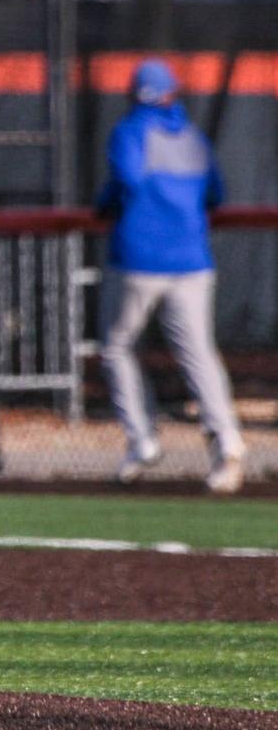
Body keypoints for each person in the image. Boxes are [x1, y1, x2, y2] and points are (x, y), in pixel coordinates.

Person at [96, 57, 243, 493]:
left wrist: (104, 207)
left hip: (139, 259)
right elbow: (216, 194)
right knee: (199, 354)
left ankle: (142, 439)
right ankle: (228, 444)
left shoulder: (129, 131)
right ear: (172, 94)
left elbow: (125, 180)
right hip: (193, 261)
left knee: (118, 346)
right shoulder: (194, 139)